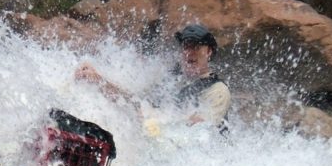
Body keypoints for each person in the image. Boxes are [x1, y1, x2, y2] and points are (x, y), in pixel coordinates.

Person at [76, 23, 231, 129]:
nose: (189, 52)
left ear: (209, 51)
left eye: (196, 47)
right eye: (186, 46)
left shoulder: (218, 91)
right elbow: (138, 103)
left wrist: (152, 123)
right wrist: (99, 81)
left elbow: (195, 131)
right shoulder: (171, 80)